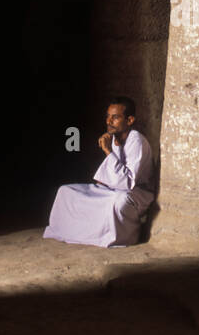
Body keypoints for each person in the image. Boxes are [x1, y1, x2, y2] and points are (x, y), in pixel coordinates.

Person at [43, 96, 155, 247]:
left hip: (135, 193)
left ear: (129, 120)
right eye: (108, 116)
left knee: (118, 203)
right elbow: (105, 177)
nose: (109, 121)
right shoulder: (115, 138)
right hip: (112, 188)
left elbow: (128, 182)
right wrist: (93, 190)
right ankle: (77, 232)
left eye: (115, 117)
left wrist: (108, 151)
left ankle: (119, 237)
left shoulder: (137, 141)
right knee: (66, 191)